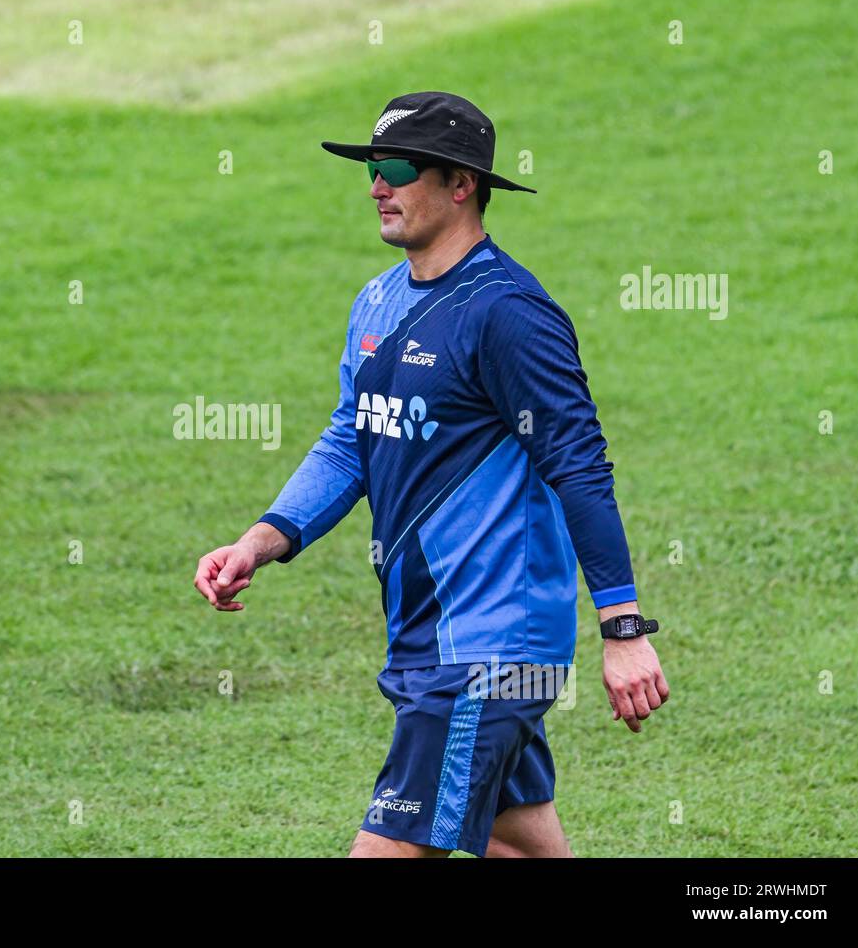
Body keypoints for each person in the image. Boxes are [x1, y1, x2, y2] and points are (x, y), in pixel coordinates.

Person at [193, 92, 669, 858]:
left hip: (489, 650)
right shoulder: (377, 302)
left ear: (461, 185)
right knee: (518, 844)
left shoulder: (507, 313)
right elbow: (350, 440)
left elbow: (579, 466)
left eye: (397, 168)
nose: (377, 186)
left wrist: (623, 630)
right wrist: (261, 541)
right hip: (428, 639)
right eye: (371, 168)